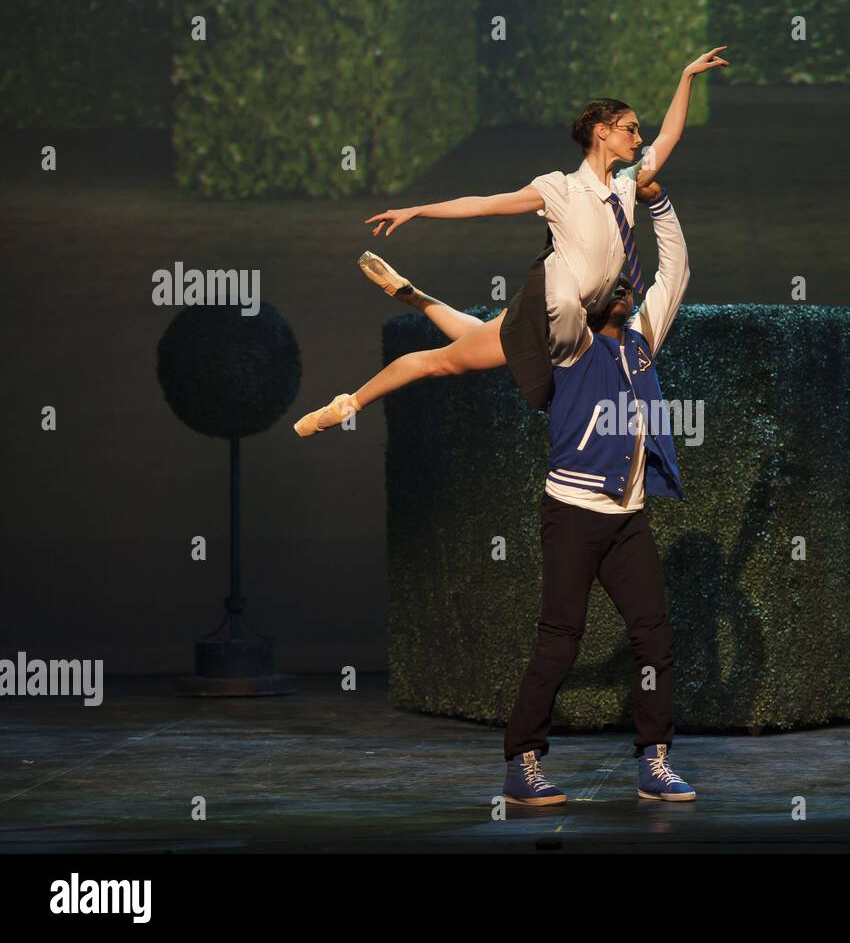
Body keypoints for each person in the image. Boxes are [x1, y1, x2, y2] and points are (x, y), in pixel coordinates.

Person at [292, 46, 727, 436]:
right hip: (546, 314)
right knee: (440, 361)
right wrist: (418, 209)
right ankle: (348, 402)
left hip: (584, 320)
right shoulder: (559, 188)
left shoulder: (628, 184)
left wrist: (686, 76)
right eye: (629, 129)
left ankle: (413, 295)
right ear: (601, 131)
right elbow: (484, 204)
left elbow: (669, 137)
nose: (639, 138)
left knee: (483, 336)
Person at [502, 178, 694, 805]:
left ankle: (654, 761)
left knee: (654, 636)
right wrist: (568, 226)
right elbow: (559, 295)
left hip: (627, 520)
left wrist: (659, 205)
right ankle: (523, 762)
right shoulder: (571, 345)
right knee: (560, 638)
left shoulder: (641, 344)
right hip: (573, 513)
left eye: (625, 283)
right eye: (612, 283)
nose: (624, 287)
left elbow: (676, 271)